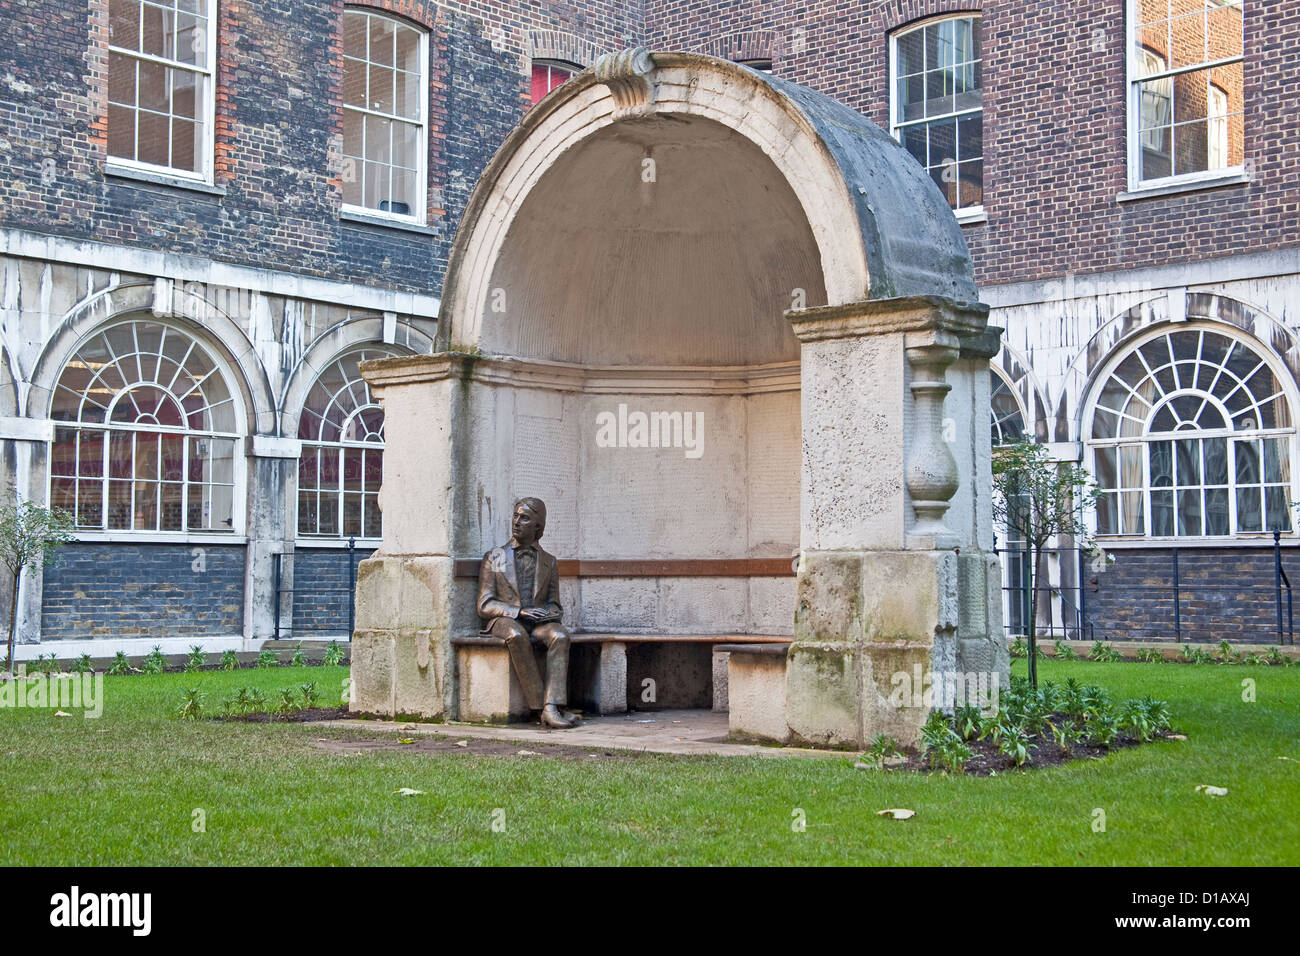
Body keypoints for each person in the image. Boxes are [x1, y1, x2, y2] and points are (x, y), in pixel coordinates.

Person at [476, 497, 579, 728]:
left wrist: (546, 613)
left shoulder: (549, 562)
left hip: (538, 623)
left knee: (560, 635)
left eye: (524, 518)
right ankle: (541, 708)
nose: (516, 522)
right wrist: (519, 611)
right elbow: (484, 605)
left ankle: (553, 706)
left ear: (537, 527)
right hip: (504, 621)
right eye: (515, 516)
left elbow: (556, 605)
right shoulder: (497, 557)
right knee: (516, 634)